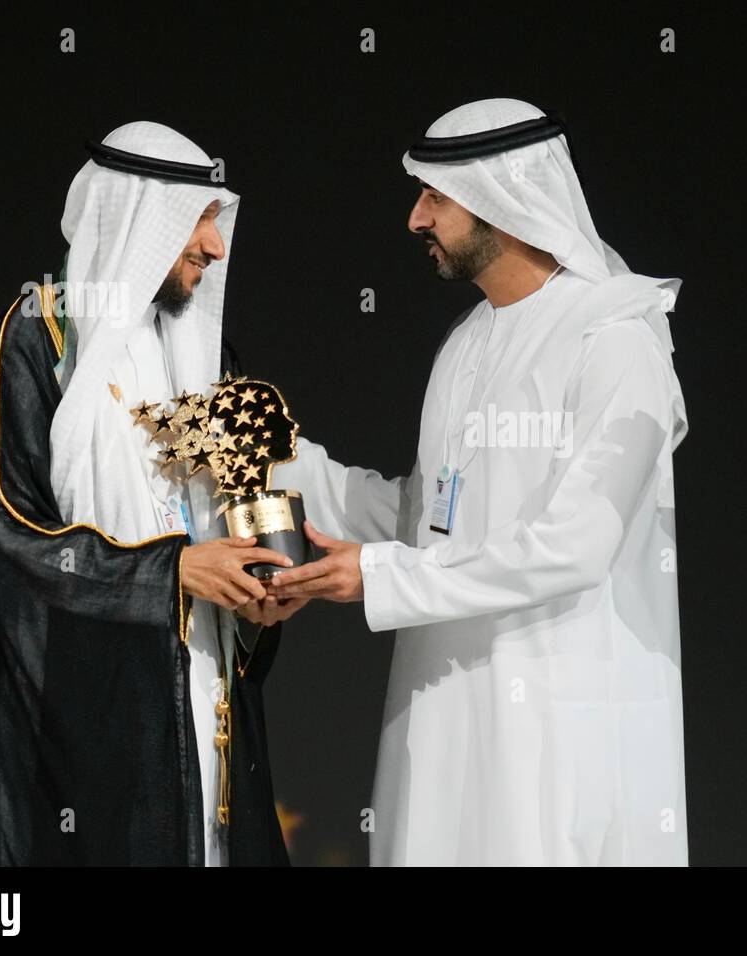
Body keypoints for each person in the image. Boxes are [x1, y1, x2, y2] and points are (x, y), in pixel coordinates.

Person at [268, 98, 689, 865]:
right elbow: (426, 523)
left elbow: (576, 545)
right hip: (440, 712)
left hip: (555, 726)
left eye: (435, 197)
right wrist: (281, 461)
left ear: (504, 198)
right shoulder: (466, 343)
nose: (415, 219)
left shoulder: (616, 340)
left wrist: (383, 576)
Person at [0, 122, 305, 866]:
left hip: (209, 704)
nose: (216, 245)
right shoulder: (40, 340)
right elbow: (1, 533)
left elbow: (235, 520)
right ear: (139, 218)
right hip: (88, 724)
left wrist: (262, 601)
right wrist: (170, 571)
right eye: (197, 221)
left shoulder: (208, 362)